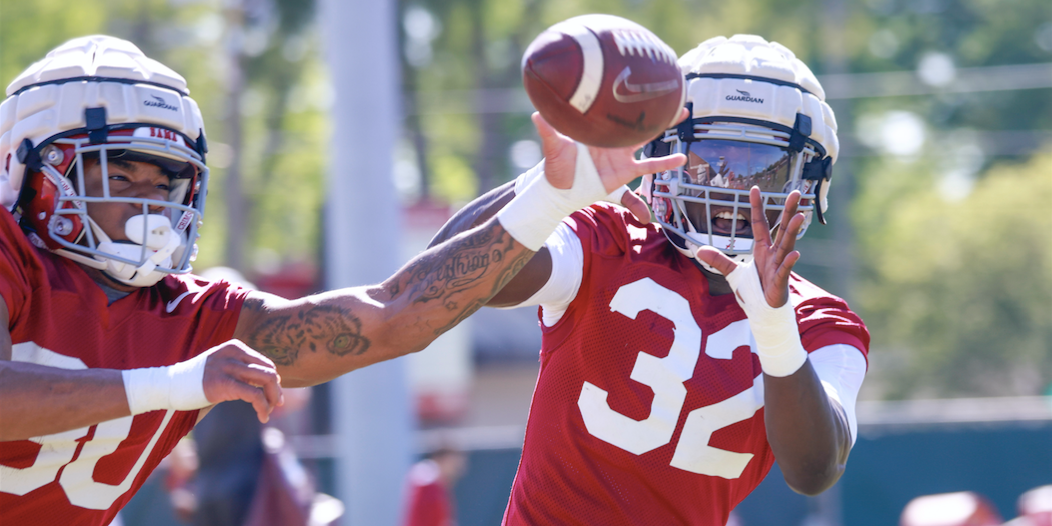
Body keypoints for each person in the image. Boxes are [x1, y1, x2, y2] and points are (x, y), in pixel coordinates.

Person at [0, 35, 686, 526]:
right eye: (121, 173)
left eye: (167, 179)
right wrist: (179, 381)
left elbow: (393, 315)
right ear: (25, 169)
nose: (150, 202)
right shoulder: (12, 255)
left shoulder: (190, 315)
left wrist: (553, 195)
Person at [429, 34, 870, 525]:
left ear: (807, 186)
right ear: (659, 154)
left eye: (762, 171)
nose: (731, 190)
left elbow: (815, 469)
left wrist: (775, 329)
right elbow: (450, 276)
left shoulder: (817, 321)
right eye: (710, 162)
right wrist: (549, 188)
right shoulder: (607, 242)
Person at [401, 446, 467, 526]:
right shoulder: (429, 482)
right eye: (454, 463)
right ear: (443, 459)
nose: (456, 469)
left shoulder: (436, 483)